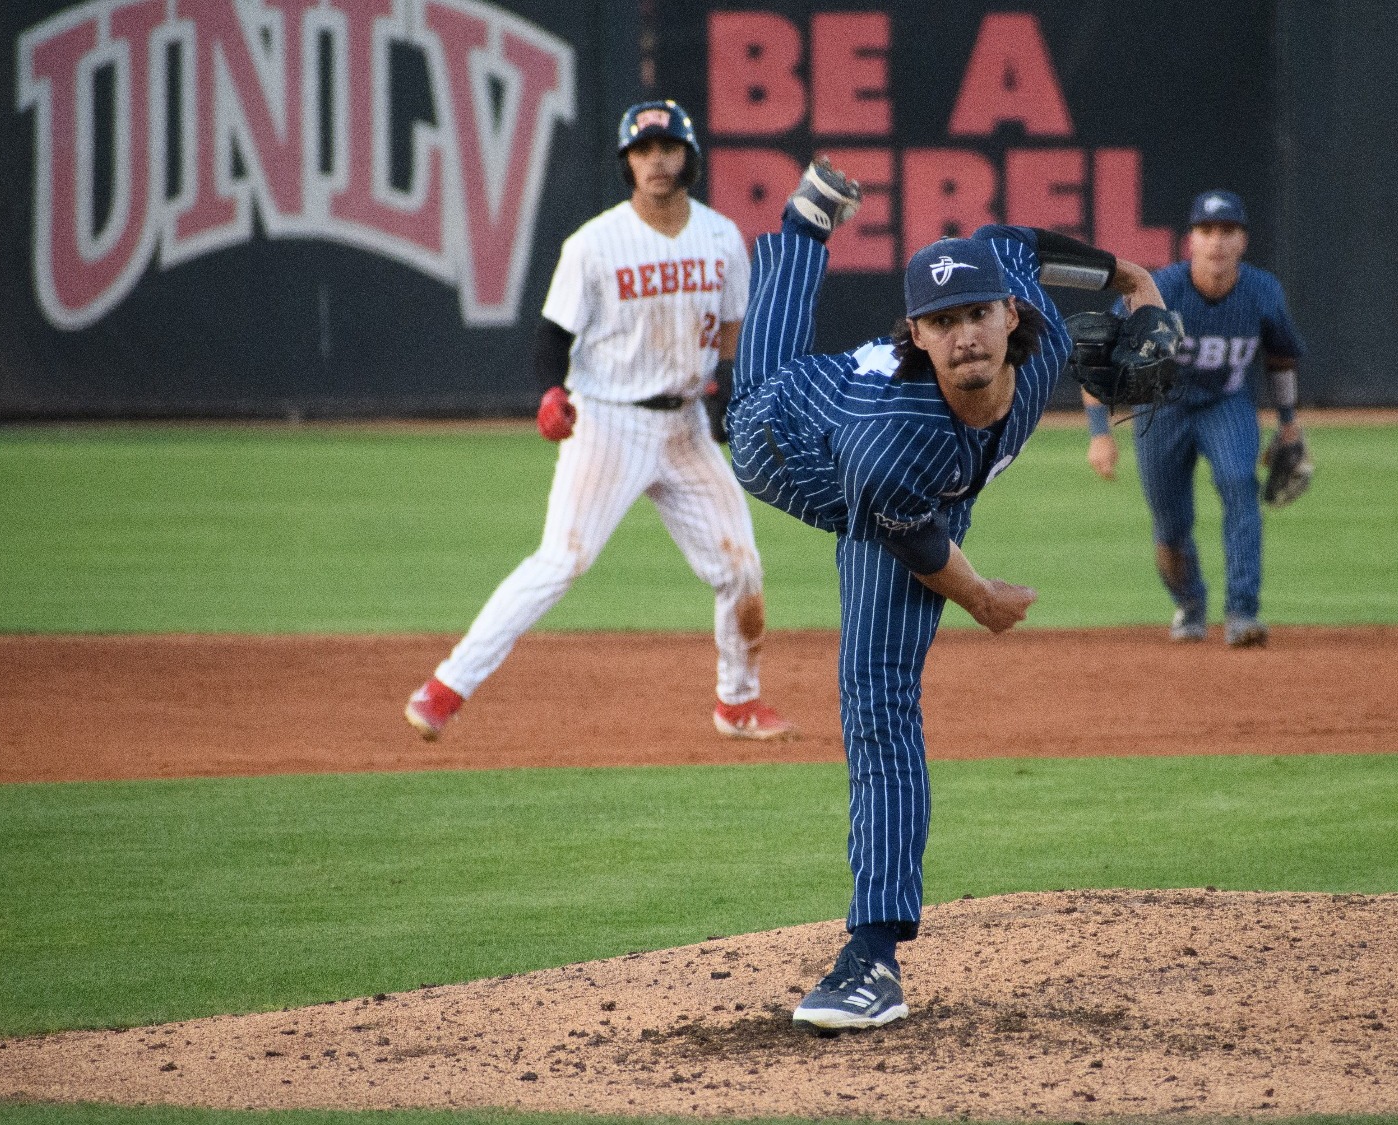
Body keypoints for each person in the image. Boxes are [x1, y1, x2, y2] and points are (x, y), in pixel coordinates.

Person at [728, 158, 1166, 1030]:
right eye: (941, 322)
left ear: (1010, 313)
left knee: (884, 693)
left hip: (918, 470)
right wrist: (984, 598)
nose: (965, 334)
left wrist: (1135, 280)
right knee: (878, 695)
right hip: (801, 450)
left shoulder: (1036, 344)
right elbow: (922, 542)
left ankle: (806, 223)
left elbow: (1015, 241)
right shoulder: (893, 441)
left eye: (977, 312)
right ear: (917, 337)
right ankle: (871, 957)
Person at [404, 101, 795, 743]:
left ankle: (738, 703)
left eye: (667, 148)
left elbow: (730, 331)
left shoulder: (722, 236)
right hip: (609, 422)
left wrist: (727, 395)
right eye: (643, 151)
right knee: (561, 560)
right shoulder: (594, 244)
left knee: (741, 568)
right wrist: (550, 393)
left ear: (689, 157)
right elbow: (552, 336)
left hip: (685, 425)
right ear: (627, 163)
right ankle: (445, 688)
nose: (657, 161)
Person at [1084, 189, 1305, 648]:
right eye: (1206, 230)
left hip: (1226, 403)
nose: (1217, 241)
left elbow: (1281, 358)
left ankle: (1242, 612)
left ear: (1243, 240)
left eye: (1228, 230)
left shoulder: (1263, 291)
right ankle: (1189, 604)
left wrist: (1287, 422)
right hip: (1160, 410)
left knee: (1239, 485)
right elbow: (1098, 351)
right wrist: (1100, 433)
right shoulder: (1160, 288)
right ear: (1191, 240)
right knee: (1170, 525)